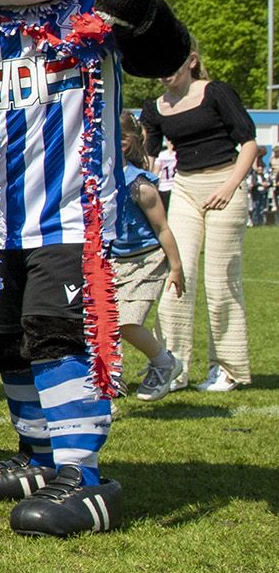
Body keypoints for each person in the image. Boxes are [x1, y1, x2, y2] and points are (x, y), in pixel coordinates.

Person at [141, 50, 259, 392]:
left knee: (221, 279)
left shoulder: (216, 92)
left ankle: (227, 368)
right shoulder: (155, 108)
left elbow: (248, 144)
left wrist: (230, 186)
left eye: (171, 67)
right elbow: (150, 154)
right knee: (178, 274)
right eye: (159, 69)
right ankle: (172, 365)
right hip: (186, 188)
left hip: (226, 182)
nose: (165, 75)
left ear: (191, 61)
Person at [111, 118, 187, 401]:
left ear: (124, 143)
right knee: (103, 323)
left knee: (126, 322)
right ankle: (111, 380)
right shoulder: (96, 179)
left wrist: (176, 267)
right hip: (112, 262)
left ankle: (165, 363)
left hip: (145, 261)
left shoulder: (139, 185)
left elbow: (162, 227)